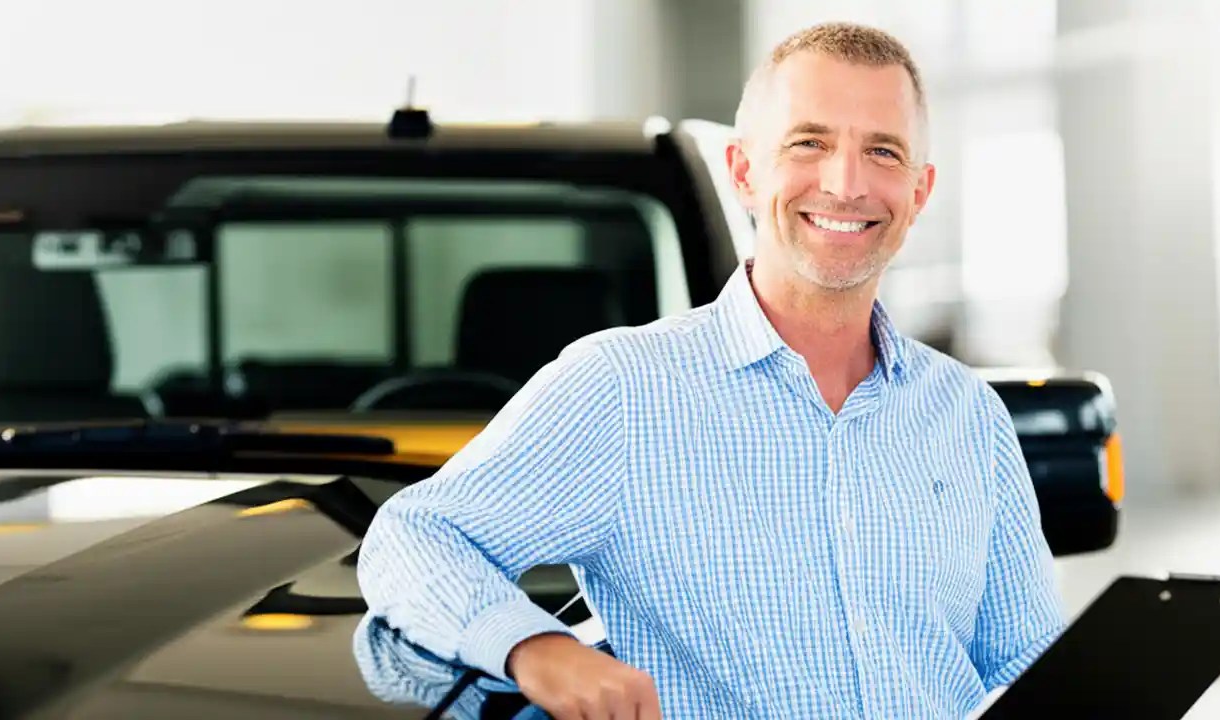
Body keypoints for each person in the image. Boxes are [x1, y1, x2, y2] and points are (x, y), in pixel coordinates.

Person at [354, 21, 1064, 720]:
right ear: (745, 171)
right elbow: (415, 536)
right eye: (808, 143)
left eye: (882, 151)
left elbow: (1026, 663)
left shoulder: (966, 412)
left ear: (919, 191)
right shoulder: (624, 389)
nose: (846, 183)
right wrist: (534, 644)